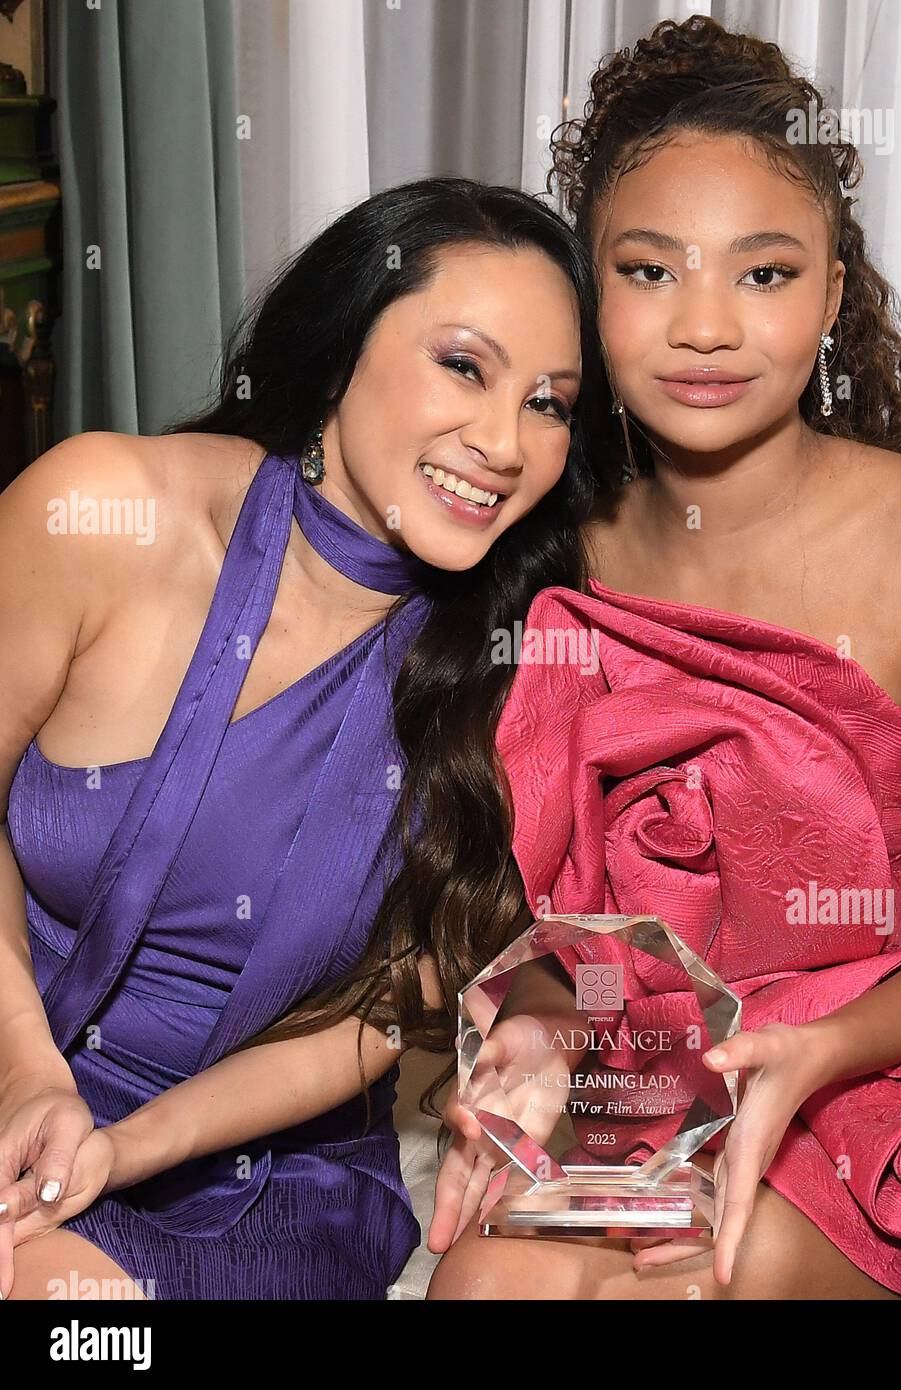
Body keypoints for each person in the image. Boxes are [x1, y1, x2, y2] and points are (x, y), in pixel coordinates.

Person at [426, 18, 901, 1301]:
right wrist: (539, 1030)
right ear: (588, 295)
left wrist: (814, 1047)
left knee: (700, 1282)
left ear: (832, 295)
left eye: (763, 274)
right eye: (648, 270)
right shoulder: (551, 552)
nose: (704, 326)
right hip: (660, 1063)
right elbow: (569, 916)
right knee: (485, 1285)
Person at [0, 177, 609, 1299]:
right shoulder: (101, 513)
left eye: (548, 403)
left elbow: (375, 1022)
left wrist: (121, 1149)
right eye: (463, 366)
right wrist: (26, 1071)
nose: (502, 441)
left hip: (262, 1169)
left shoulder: (514, 671)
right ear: (339, 347)